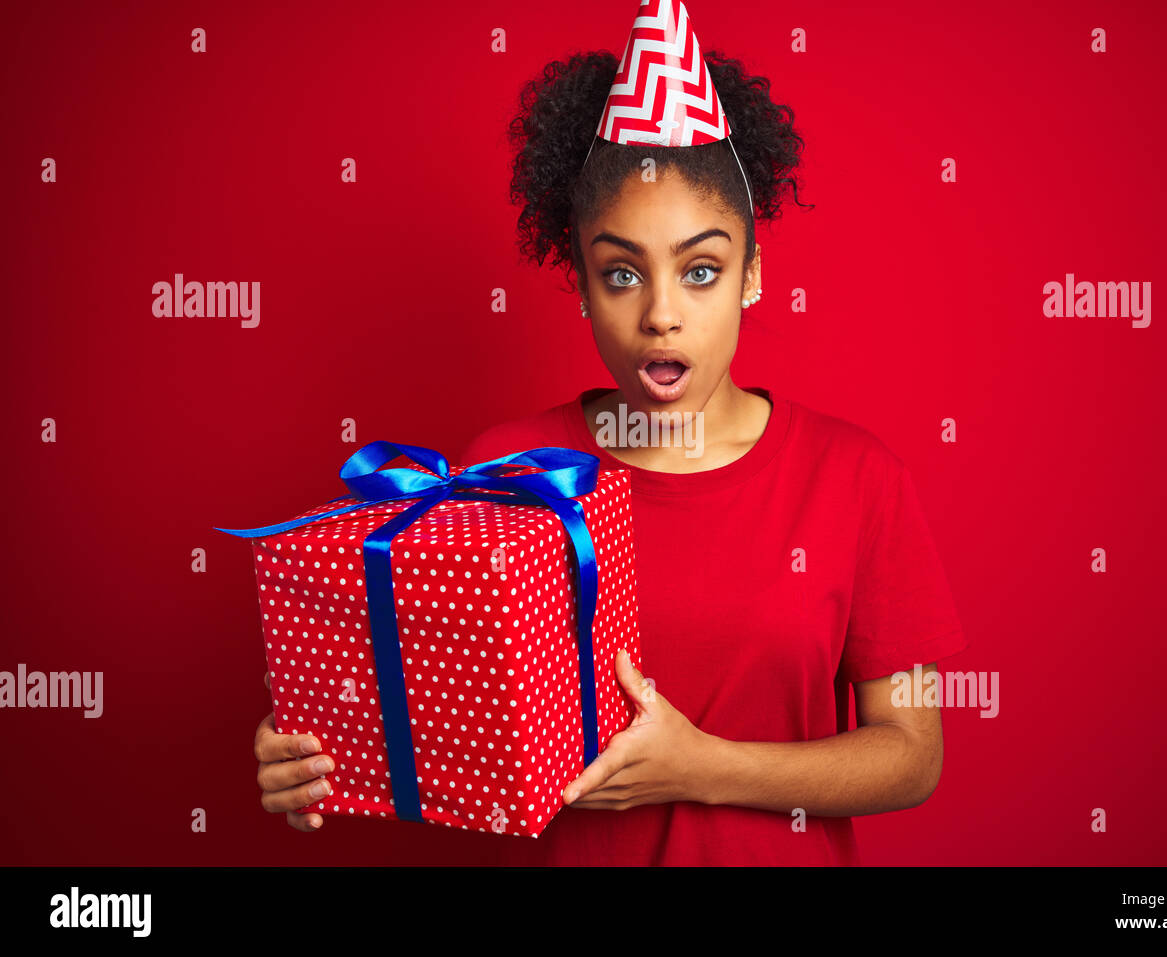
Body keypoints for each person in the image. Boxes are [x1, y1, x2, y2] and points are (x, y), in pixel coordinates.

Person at [254, 33, 968, 866]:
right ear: (582, 285)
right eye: (622, 274)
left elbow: (915, 753)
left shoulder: (858, 478)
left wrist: (703, 768)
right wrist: (317, 750)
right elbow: (438, 707)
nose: (661, 313)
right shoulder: (508, 467)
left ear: (752, 274)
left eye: (700, 270)